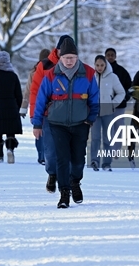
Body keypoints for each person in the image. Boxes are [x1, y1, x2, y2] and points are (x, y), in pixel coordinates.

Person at [32, 35, 99, 208]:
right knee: (61, 158)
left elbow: (94, 99)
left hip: (80, 124)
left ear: (77, 57)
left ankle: (75, 182)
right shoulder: (50, 75)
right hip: (57, 124)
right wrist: (37, 123)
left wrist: (91, 119)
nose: (69, 61)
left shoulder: (89, 73)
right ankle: (64, 194)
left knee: (78, 159)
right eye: (66, 58)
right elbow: (40, 99)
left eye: (72, 58)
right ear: (60, 57)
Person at [29, 46, 60, 190]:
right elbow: (34, 91)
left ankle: (68, 179)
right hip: (48, 113)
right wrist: (35, 116)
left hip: (70, 115)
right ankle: (52, 173)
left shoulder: (77, 66)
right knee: (50, 148)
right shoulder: (43, 67)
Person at [90, 54, 126, 171]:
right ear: (94, 65)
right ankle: (94, 161)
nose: (100, 67)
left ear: (106, 65)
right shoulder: (90, 77)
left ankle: (107, 163)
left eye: (102, 65)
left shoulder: (112, 77)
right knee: (95, 138)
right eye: (97, 65)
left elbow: (121, 92)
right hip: (94, 112)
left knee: (107, 138)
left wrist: (112, 104)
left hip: (108, 112)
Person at [28, 49, 52, 165]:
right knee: (44, 132)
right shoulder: (50, 70)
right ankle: (44, 156)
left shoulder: (33, 72)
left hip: (38, 105)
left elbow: (28, 91)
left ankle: (42, 155)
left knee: (40, 132)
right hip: (46, 105)